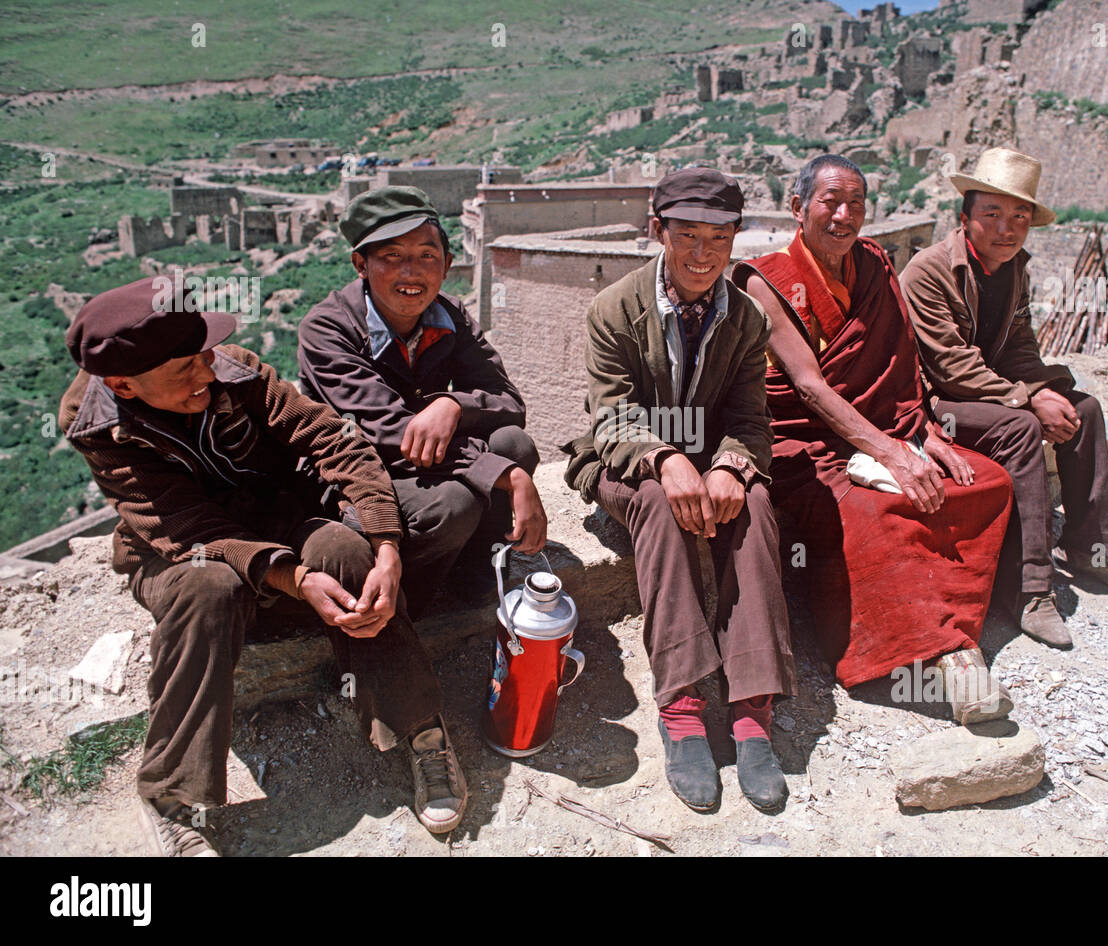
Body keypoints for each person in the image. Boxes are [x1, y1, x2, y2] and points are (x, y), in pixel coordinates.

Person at [60, 276, 466, 854]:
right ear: (123, 383)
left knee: (347, 550)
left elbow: (336, 443)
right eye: (185, 372)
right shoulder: (96, 424)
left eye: (203, 356)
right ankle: (171, 794)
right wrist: (292, 577)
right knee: (208, 588)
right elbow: (187, 531)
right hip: (181, 549)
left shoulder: (234, 369)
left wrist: (386, 544)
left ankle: (420, 729)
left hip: (274, 518)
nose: (206, 375)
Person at [736, 154, 1016, 725]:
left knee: (985, 481)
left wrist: (923, 432)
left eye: (856, 204)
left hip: (881, 430)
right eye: (830, 202)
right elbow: (811, 388)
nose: (844, 215)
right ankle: (939, 654)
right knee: (876, 514)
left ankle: (955, 613)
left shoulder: (873, 264)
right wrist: (890, 453)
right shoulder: (766, 279)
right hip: (804, 444)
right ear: (798, 208)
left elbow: (898, 362)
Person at [563, 168, 796, 812]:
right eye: (686, 235)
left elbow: (750, 418)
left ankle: (751, 708)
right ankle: (684, 703)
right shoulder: (614, 310)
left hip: (709, 462)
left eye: (718, 238)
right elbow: (611, 415)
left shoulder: (745, 319)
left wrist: (728, 465)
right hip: (627, 462)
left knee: (754, 504)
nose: (702, 253)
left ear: (734, 241)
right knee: (661, 506)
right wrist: (663, 456)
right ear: (657, 231)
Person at [899, 147, 1108, 649]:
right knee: (1021, 428)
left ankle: (1092, 550)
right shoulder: (928, 272)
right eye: (991, 214)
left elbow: (1018, 349)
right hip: (935, 405)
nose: (1006, 229)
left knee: (1085, 409)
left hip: (989, 392)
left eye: (1020, 217)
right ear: (964, 217)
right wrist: (1029, 402)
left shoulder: (1013, 271)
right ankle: (1029, 589)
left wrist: (1043, 390)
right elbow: (950, 366)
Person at [298, 186, 547, 617]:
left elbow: (508, 402)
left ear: (447, 265)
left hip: (430, 462)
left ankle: (473, 578)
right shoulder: (327, 329)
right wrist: (505, 475)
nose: (410, 273)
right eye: (392, 257)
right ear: (361, 264)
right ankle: (408, 603)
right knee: (453, 503)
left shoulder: (448, 316)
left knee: (513, 443)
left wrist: (453, 405)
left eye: (426, 256)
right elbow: (386, 430)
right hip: (359, 478)